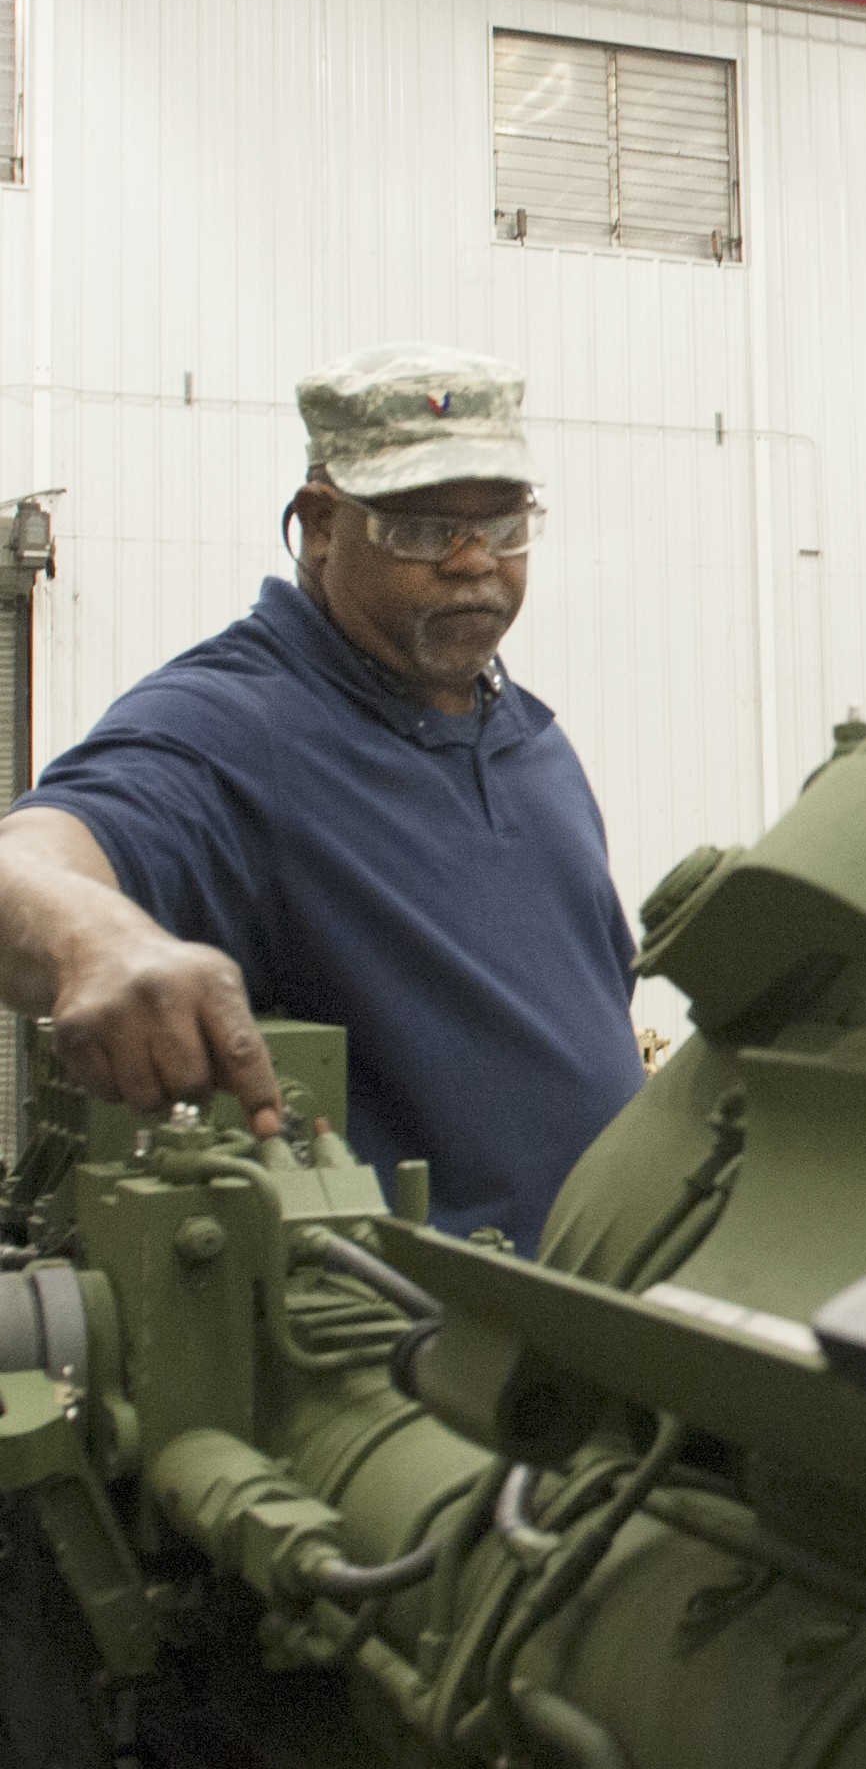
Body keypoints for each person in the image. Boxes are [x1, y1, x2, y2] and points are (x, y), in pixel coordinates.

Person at [0, 345, 646, 1250]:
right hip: (418, 1358)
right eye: (421, 531)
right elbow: (24, 862)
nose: (473, 562)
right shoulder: (233, 725)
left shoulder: (531, 742)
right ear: (320, 526)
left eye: (502, 526)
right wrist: (93, 939)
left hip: (611, 1332)